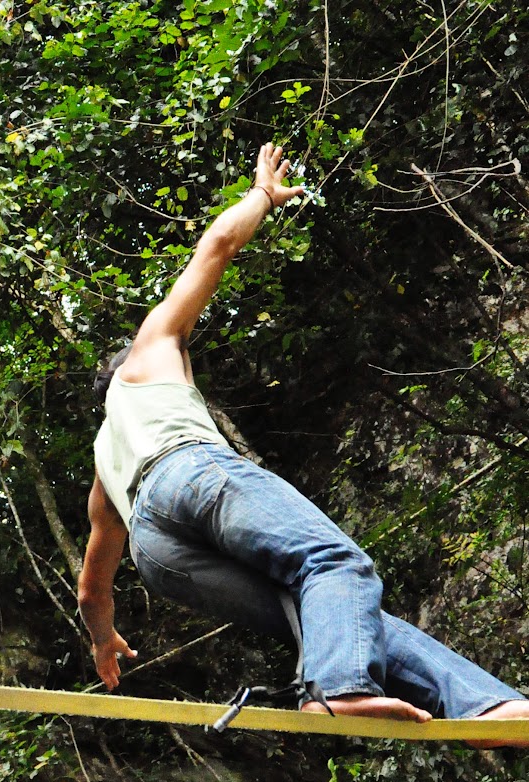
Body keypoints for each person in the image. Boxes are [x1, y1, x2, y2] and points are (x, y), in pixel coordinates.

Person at [78, 142, 529, 740]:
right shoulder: (151, 350)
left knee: (336, 610)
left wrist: (103, 638)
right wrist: (262, 195)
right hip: (191, 474)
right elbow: (215, 247)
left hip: (158, 555)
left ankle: (484, 704)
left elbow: (92, 585)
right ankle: (337, 692)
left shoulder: (107, 457)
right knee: (336, 562)